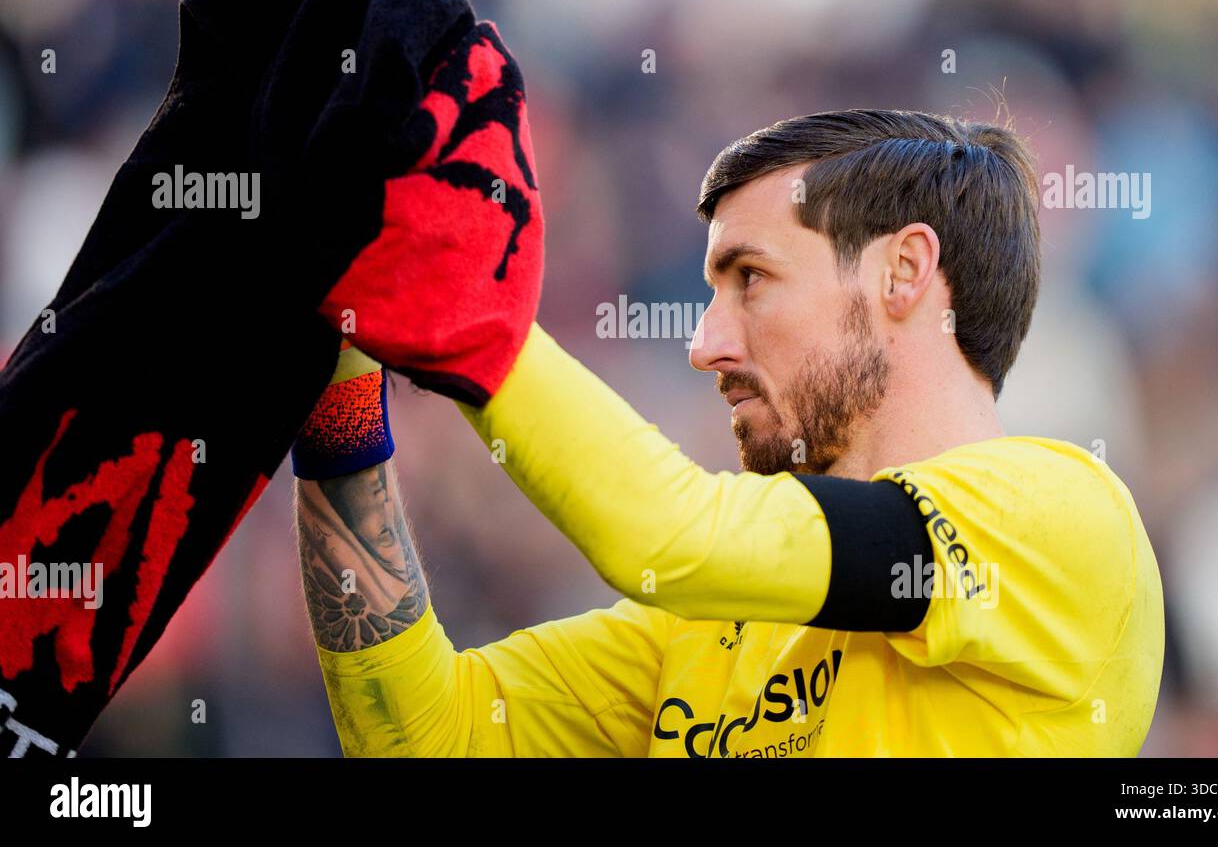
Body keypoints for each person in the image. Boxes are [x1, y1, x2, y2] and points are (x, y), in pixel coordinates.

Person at [292, 109, 1164, 757]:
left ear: (904, 273)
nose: (705, 345)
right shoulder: (708, 625)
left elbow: (668, 534)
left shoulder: (1066, 519)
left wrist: (447, 291)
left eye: (751, 278)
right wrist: (342, 382)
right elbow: (424, 739)